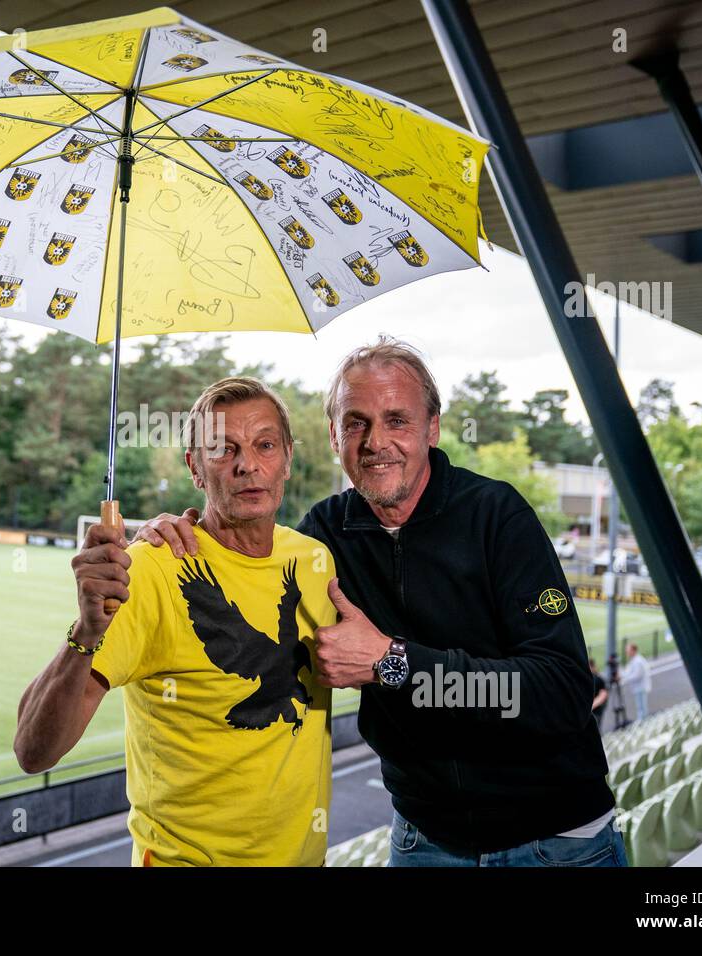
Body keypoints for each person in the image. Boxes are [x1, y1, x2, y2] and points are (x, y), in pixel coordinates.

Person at [136, 338, 626, 867]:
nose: (375, 442)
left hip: (556, 841)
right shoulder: (323, 535)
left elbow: (563, 691)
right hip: (424, 841)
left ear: (432, 428)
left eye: (397, 420)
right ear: (333, 436)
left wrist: (394, 662)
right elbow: (244, 562)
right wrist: (171, 531)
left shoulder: (496, 515)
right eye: (356, 423)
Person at [13, 377, 339, 866]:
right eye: (222, 449)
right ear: (195, 468)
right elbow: (33, 751)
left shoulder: (315, 561)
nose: (247, 464)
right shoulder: (149, 569)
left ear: (288, 458)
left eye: (264, 445)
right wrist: (85, 633)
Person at [621, 642, 652, 723]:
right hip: (638, 687)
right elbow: (627, 672)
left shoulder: (638, 661)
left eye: (628, 650)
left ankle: (643, 722)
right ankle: (643, 721)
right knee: (640, 707)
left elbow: (637, 675)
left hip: (640, 687)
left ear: (633, 650)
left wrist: (625, 678)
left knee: (642, 707)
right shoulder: (634, 660)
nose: (627, 652)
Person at [589, 657, 609, 730]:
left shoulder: (598, 679)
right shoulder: (595, 679)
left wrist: (591, 706)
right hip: (592, 712)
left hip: (595, 711)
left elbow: (603, 695)